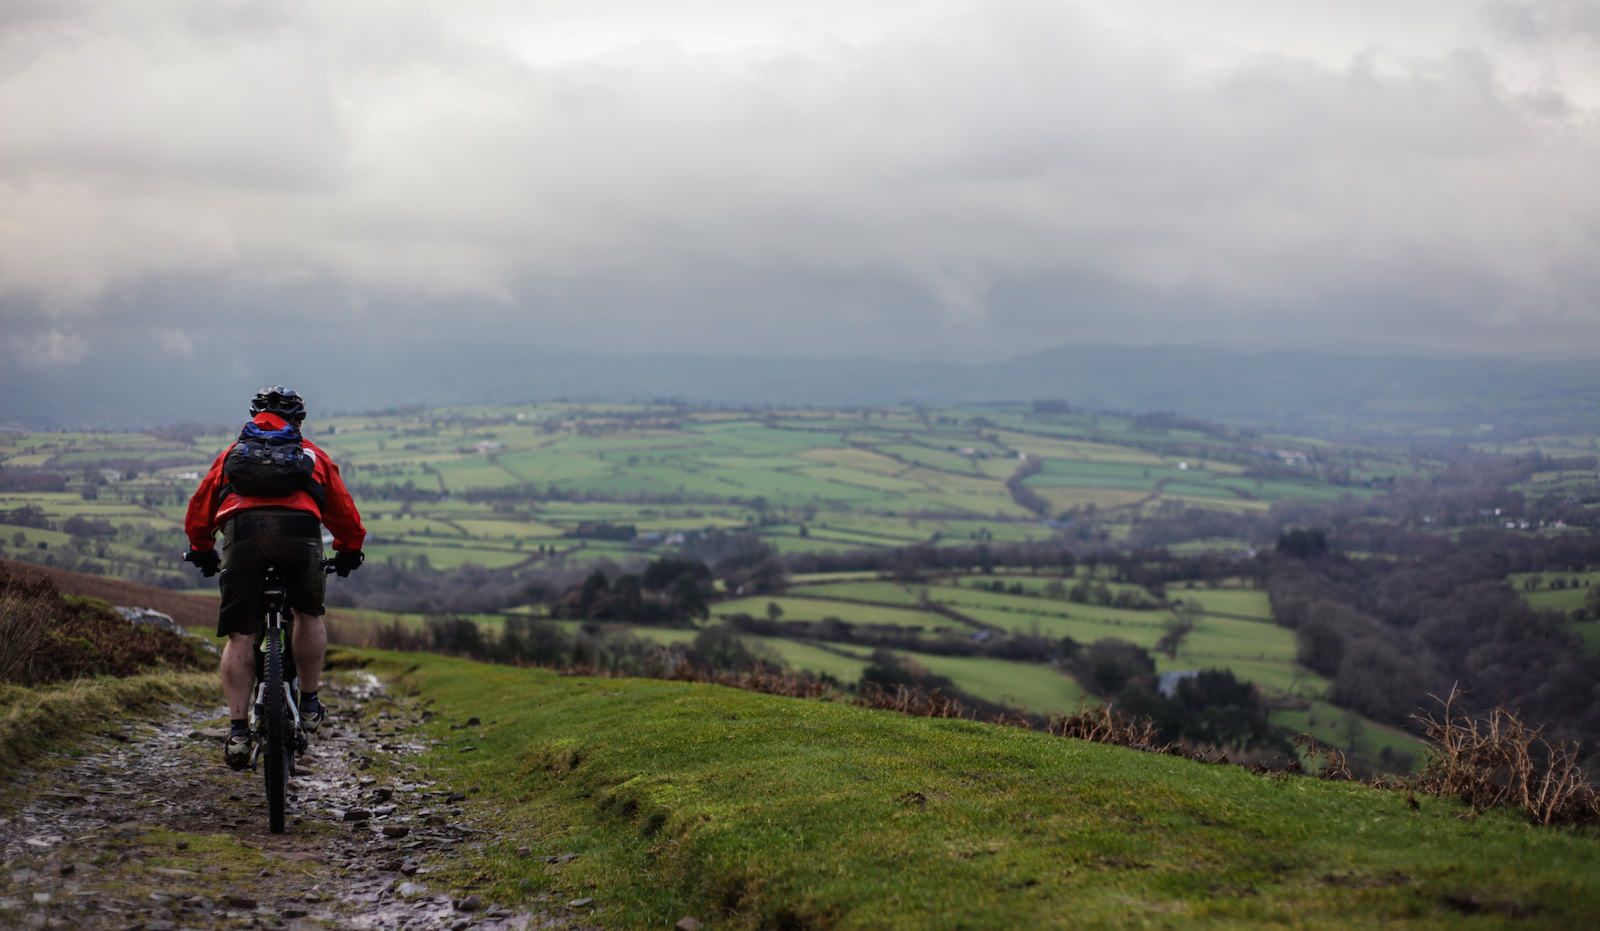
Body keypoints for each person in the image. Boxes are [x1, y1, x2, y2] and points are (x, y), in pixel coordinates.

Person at [183, 386, 366, 770]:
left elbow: (200, 506)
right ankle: (310, 701)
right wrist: (349, 551)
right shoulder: (312, 454)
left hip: (243, 534)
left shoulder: (231, 454)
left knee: (241, 635)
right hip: (299, 535)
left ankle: (237, 730)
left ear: (254, 418)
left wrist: (202, 549)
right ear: (298, 420)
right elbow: (343, 511)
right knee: (308, 614)